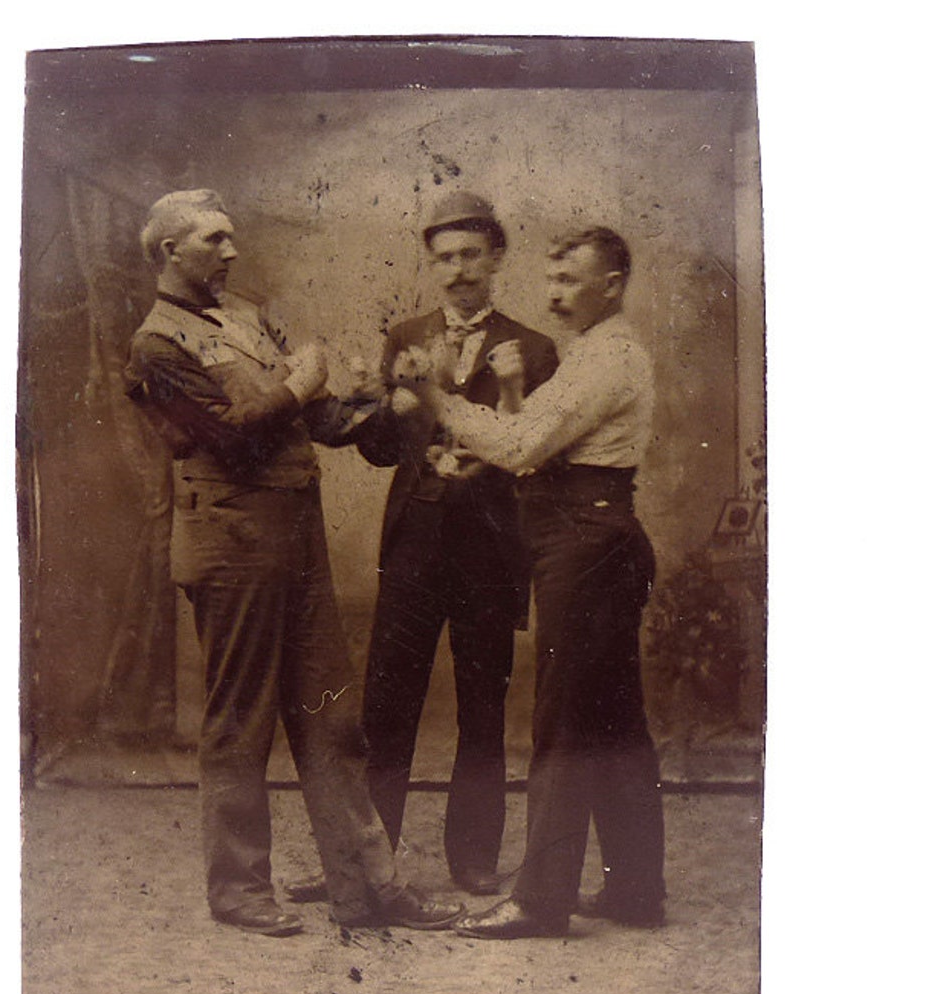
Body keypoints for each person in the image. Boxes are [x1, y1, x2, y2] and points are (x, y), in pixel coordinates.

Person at [123, 189, 465, 937]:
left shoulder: (246, 316)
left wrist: (385, 406)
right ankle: (238, 890)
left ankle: (370, 888)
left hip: (296, 538)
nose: (231, 250)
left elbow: (322, 421)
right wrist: (299, 382)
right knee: (240, 721)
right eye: (214, 239)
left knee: (332, 719)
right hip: (230, 545)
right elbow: (229, 439)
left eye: (231, 236)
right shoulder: (155, 346)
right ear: (169, 252)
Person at [413, 225, 666, 938]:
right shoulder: (594, 352)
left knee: (562, 722)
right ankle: (636, 890)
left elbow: (523, 442)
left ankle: (540, 900)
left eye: (569, 281)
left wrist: (434, 397)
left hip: (586, 550)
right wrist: (491, 447)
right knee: (615, 720)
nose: (553, 295)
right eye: (551, 279)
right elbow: (539, 450)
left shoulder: (608, 357)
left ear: (611, 285)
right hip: (593, 541)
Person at [348, 192, 559, 896]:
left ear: (496, 258)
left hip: (490, 548)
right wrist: (389, 406)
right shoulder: (405, 336)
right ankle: (370, 857)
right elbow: (381, 451)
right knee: (386, 702)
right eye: (445, 258)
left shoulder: (533, 348)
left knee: (482, 704)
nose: (459, 270)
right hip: (414, 541)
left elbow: (538, 458)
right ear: (431, 265)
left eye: (472, 255)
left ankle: (472, 858)